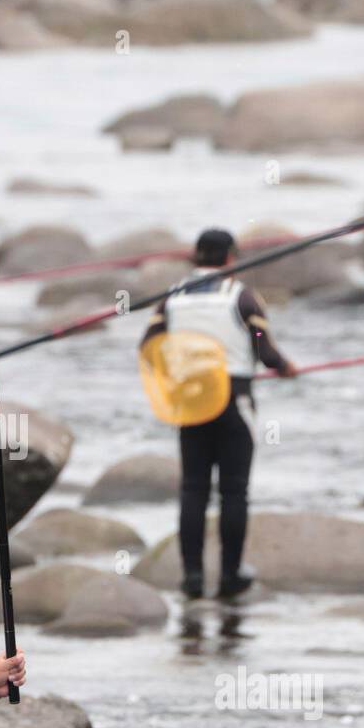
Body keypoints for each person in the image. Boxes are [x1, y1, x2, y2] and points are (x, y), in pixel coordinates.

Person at [140, 227, 297, 600]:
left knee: (193, 489)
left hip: (190, 404)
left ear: (195, 257)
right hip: (234, 403)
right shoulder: (242, 298)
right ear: (230, 257)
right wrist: (287, 367)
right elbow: (264, 351)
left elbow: (149, 345)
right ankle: (230, 576)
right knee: (234, 491)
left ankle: (192, 577)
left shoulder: (171, 299)